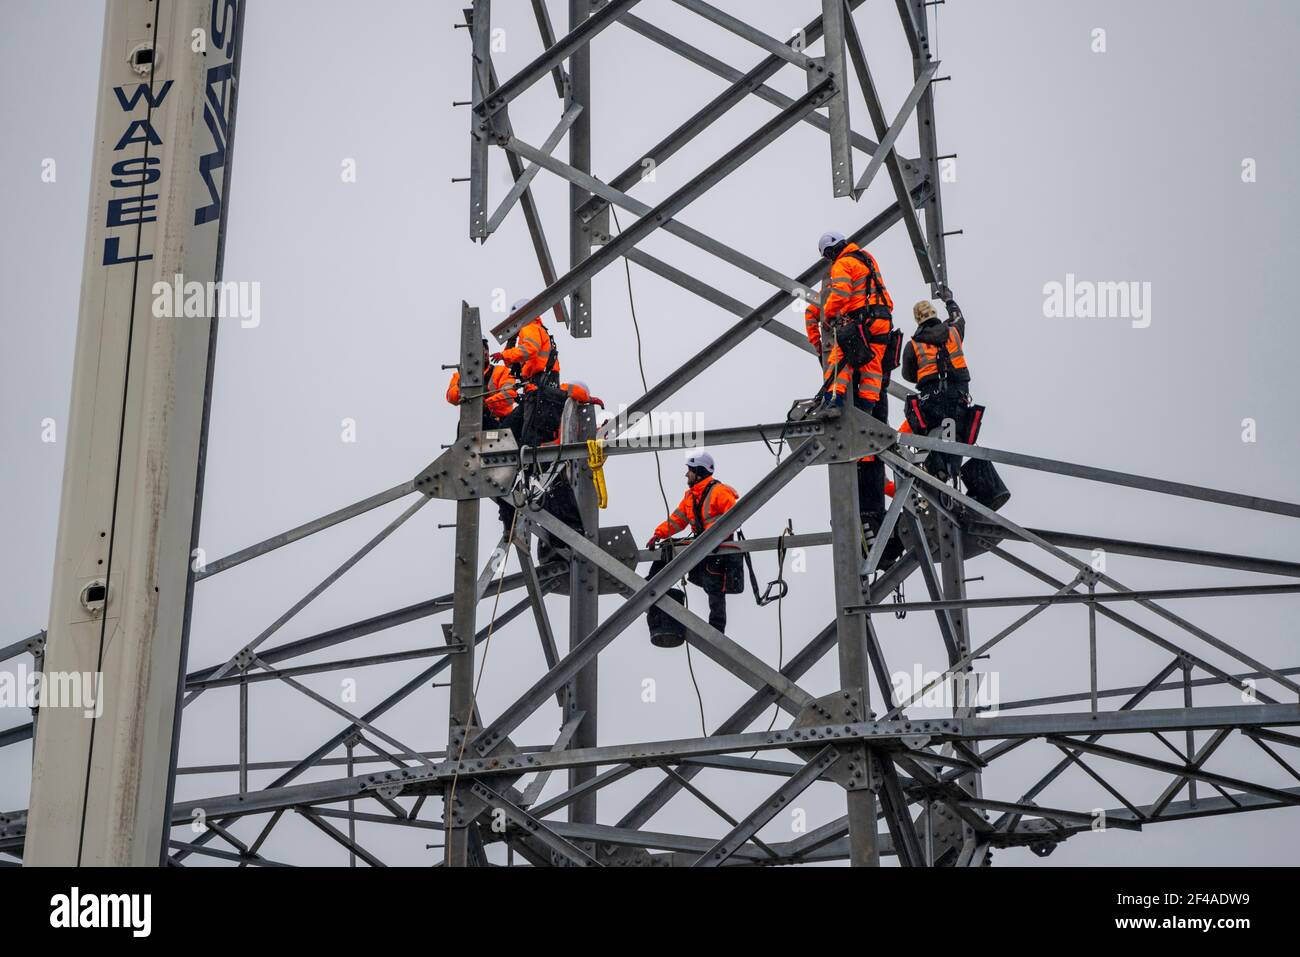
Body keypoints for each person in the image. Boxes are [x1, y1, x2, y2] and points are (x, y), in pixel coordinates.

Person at [805, 231, 901, 544]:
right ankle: (869, 412)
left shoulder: (842, 265)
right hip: (882, 321)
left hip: (858, 319)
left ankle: (835, 401)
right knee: (872, 369)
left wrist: (831, 316)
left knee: (840, 362)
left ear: (829, 253)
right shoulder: (866, 258)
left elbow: (840, 294)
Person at [901, 296, 1009, 510]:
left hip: (931, 400)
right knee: (956, 437)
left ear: (917, 320)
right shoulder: (953, 332)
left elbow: (908, 374)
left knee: (930, 436)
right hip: (957, 399)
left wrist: (927, 376)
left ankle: (938, 472)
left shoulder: (913, 345)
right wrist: (949, 301)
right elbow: (959, 317)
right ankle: (955, 471)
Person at [643, 453, 742, 645]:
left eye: (689, 470)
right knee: (667, 549)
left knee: (715, 588)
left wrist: (716, 536)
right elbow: (677, 520)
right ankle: (650, 584)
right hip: (701, 544)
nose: (686, 475)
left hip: (718, 547)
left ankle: (716, 630)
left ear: (698, 472)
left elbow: (736, 517)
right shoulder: (691, 496)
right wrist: (659, 533)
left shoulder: (719, 492)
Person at [445, 338, 518, 431]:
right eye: (480, 350)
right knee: (463, 427)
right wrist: (460, 386)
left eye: (485, 350)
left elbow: (510, 395)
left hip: (498, 423)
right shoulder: (460, 376)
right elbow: (452, 398)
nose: (485, 353)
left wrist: (487, 404)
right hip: (471, 422)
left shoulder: (501, 371)